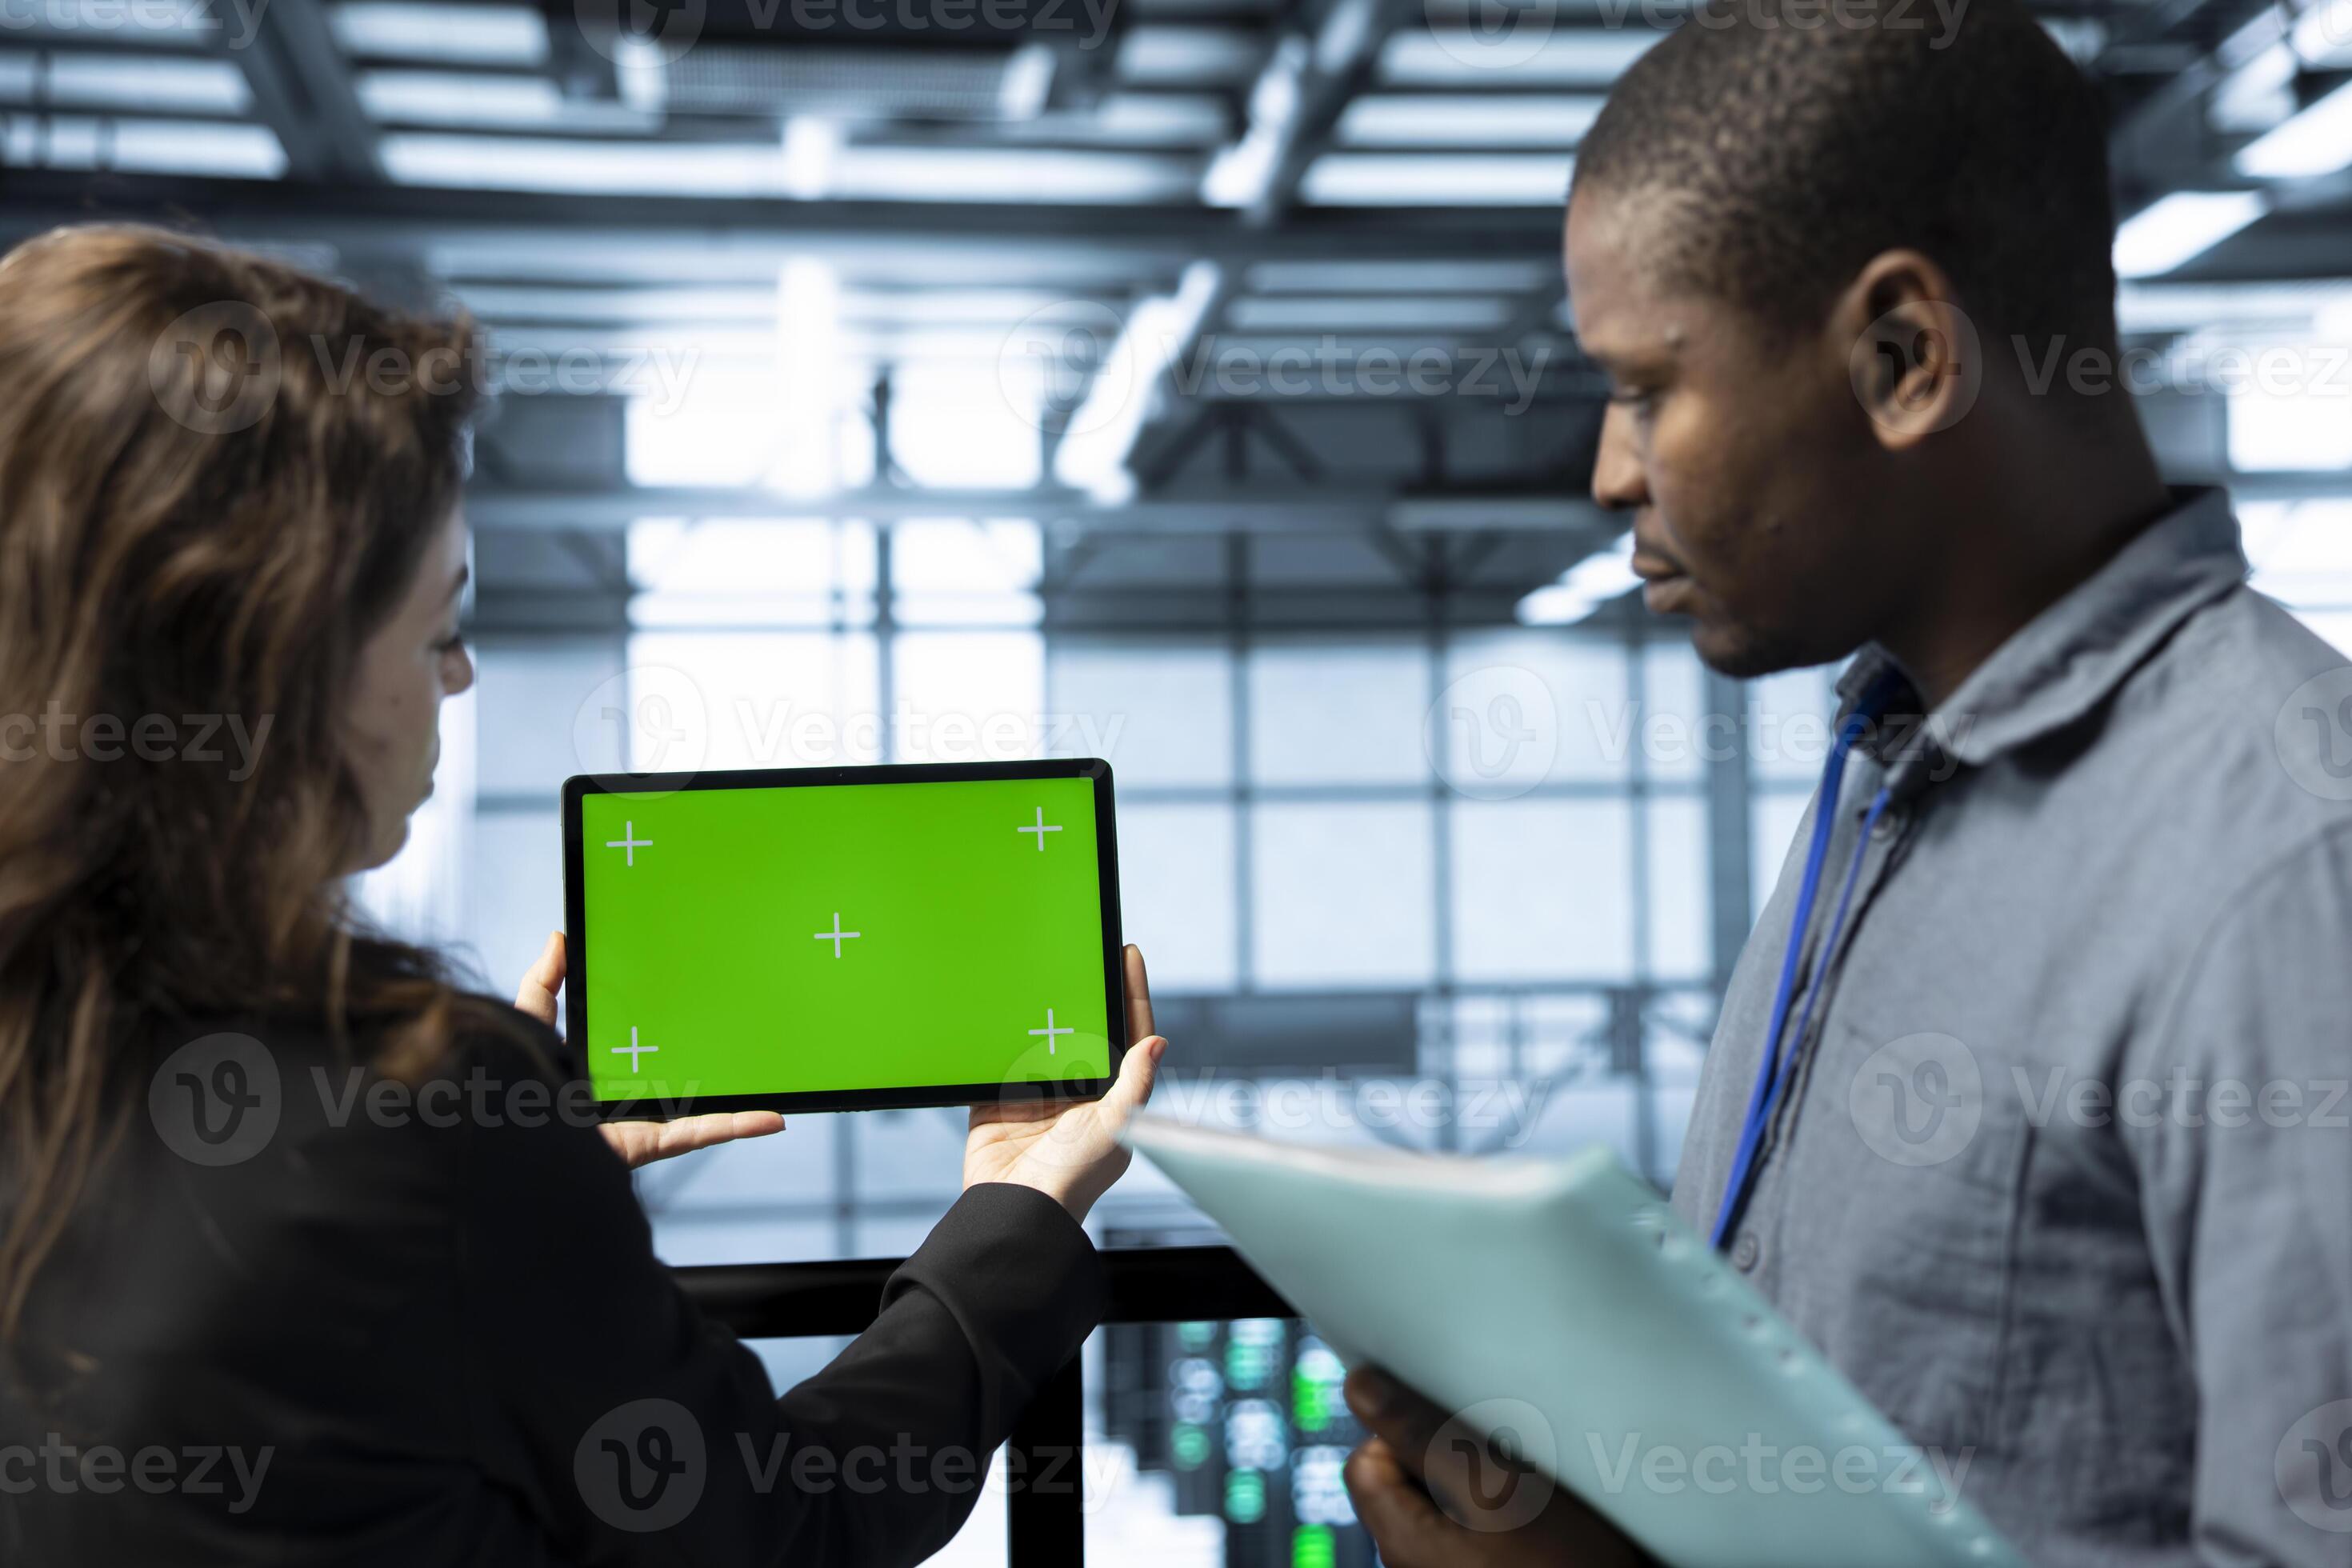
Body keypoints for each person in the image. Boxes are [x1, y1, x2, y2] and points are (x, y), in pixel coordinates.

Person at [1343, 2, 2352, 1565]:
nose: (1612, 474)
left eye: (1643, 386)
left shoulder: (2287, 862)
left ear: (1901, 355)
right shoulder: (1884, 773)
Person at [0, 223, 1166, 1565]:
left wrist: (520, 1206)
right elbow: (781, 1529)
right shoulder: (411, 1124)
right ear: (277, 661)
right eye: (441, 626)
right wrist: (1017, 1217)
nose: (460, 680)